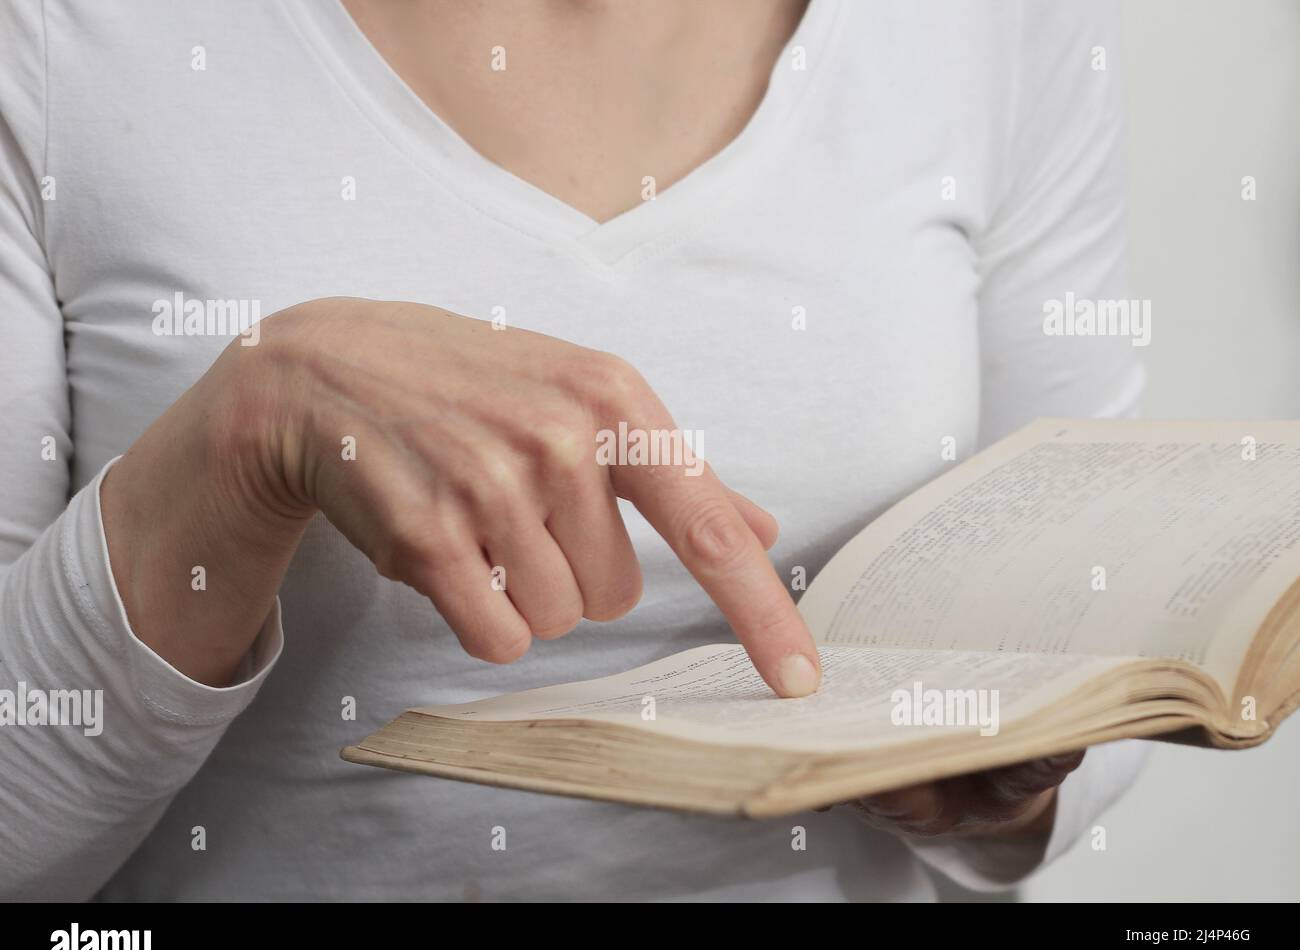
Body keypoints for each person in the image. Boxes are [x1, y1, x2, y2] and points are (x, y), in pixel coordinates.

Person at [0, 0, 1147, 901]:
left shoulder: (997, 24)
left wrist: (1002, 786)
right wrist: (246, 437)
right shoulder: (62, 38)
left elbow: (1090, 658)